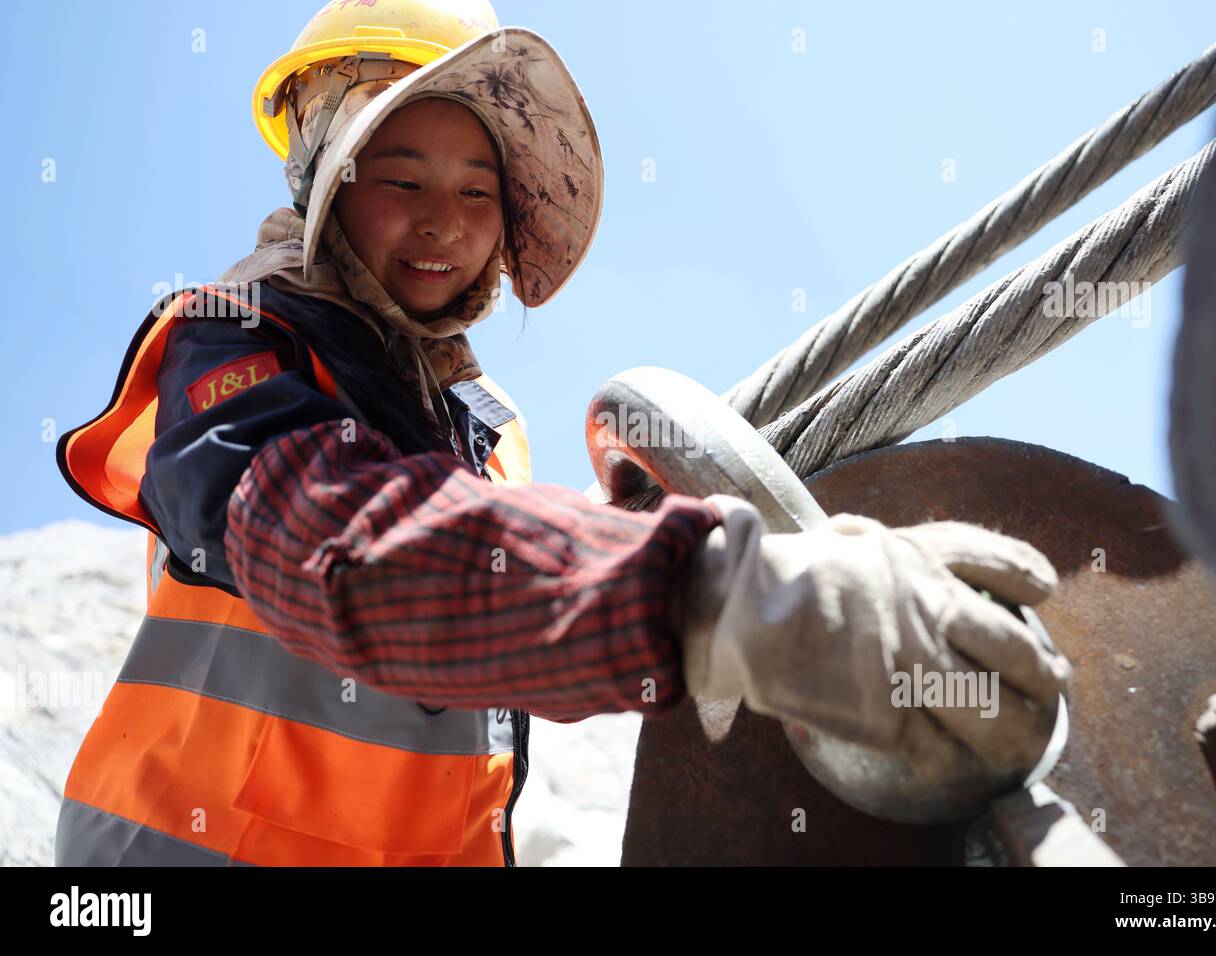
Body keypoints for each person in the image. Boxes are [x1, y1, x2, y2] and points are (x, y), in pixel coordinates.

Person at [53, 0, 1070, 867]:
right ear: (321, 169)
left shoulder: (489, 439)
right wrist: (734, 599)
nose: (443, 221)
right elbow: (339, 547)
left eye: (478, 190)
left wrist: (632, 545)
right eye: (399, 176)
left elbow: (497, 610)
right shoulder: (235, 339)